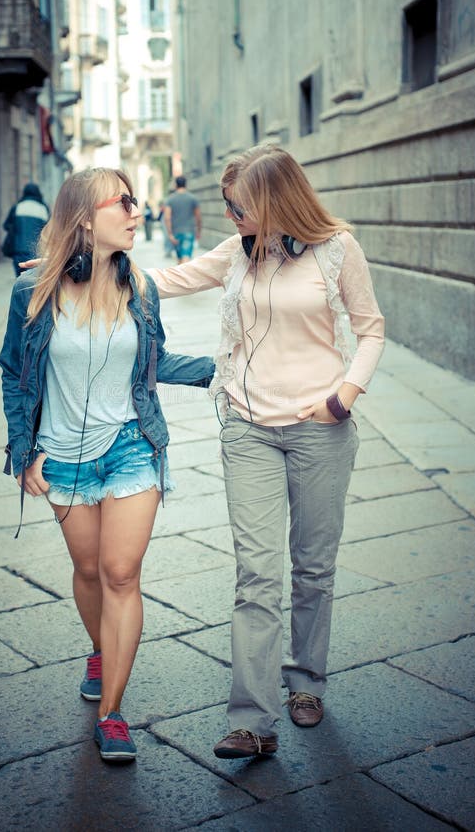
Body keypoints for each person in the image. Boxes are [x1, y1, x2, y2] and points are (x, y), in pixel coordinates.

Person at [148, 145, 385, 759]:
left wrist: (344, 396)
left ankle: (305, 682)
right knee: (256, 575)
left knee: (312, 566)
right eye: (227, 204)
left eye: (239, 205)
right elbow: (168, 279)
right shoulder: (238, 252)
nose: (229, 214)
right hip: (248, 428)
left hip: (319, 429)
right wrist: (79, 263)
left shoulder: (337, 249)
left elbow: (370, 328)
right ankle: (252, 719)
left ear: (277, 200)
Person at [0, 168, 214, 764]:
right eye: (124, 202)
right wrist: (24, 453)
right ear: (86, 218)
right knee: (89, 571)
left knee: (121, 573)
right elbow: (14, 373)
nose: (137, 210)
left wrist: (223, 370)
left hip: (129, 445)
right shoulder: (32, 292)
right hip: (60, 454)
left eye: (136, 200)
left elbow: (155, 360)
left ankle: (113, 713)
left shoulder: (138, 288)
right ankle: (100, 648)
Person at [2, 183, 51, 276]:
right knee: (34, 281)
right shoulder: (43, 208)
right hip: (36, 251)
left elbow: (6, 225)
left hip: (19, 250)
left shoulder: (18, 206)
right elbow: (49, 230)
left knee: (20, 279)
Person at [163, 175, 202, 263]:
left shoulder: (170, 199)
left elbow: (167, 217)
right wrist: (198, 231)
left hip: (176, 233)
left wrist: (170, 234)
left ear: (175, 185)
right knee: (185, 258)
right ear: (186, 184)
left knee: (180, 259)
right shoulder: (192, 198)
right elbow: (198, 217)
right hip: (189, 232)